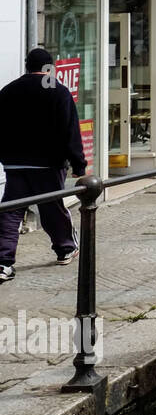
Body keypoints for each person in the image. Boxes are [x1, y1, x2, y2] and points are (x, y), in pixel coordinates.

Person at [0, 48, 87, 282]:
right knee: (52, 207)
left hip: (15, 164)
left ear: (27, 66)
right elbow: (71, 132)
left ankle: (3, 262)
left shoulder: (8, 91)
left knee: (10, 211)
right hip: (49, 164)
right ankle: (65, 248)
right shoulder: (58, 92)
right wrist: (79, 164)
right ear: (50, 67)